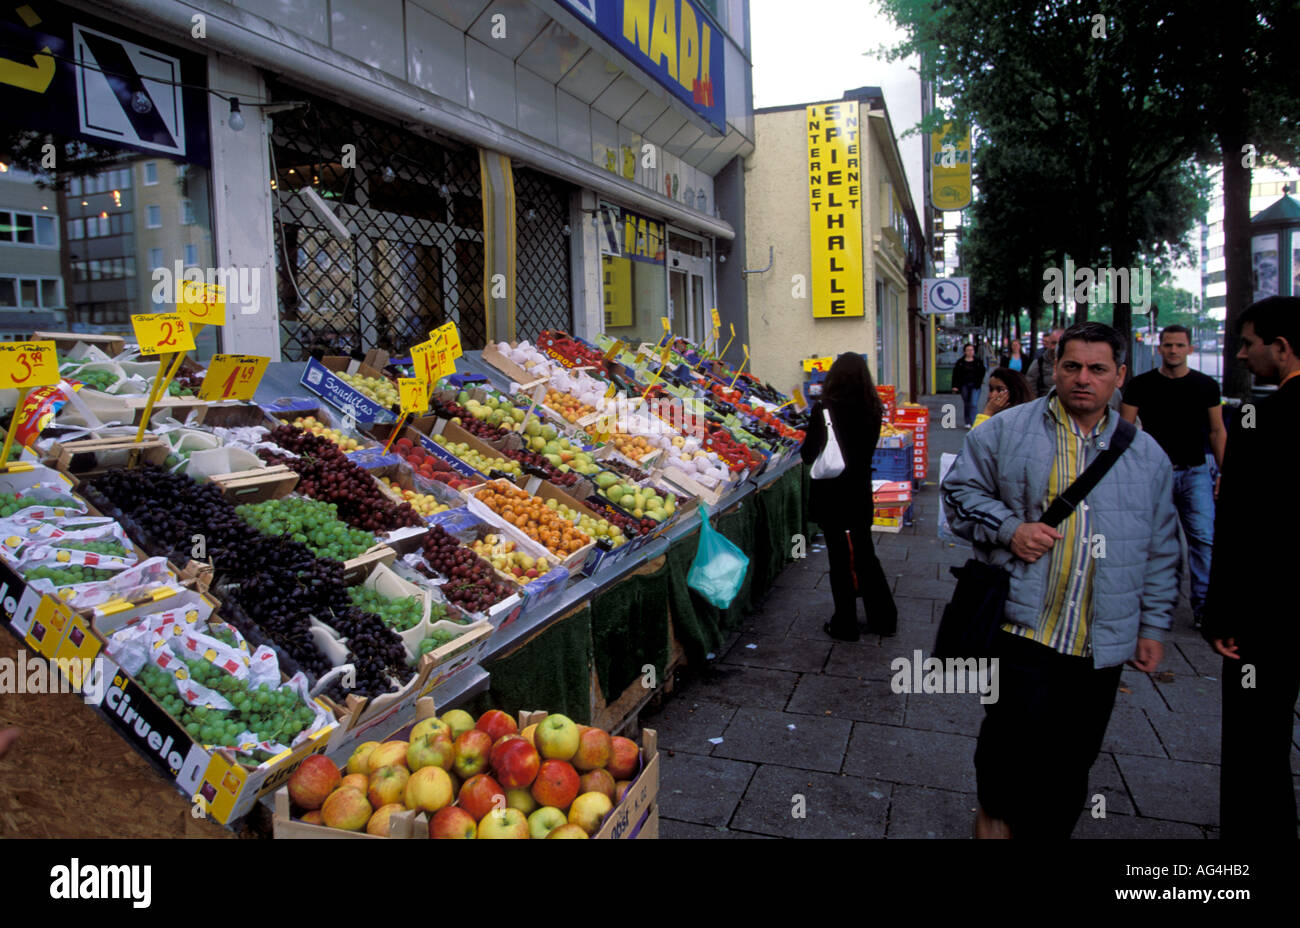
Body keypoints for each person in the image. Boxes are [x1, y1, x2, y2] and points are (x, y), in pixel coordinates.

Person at [941, 322, 1179, 839]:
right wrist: (1010, 529)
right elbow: (957, 493)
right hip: (1023, 630)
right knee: (1006, 753)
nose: (1082, 379)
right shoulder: (1005, 430)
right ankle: (995, 821)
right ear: (1056, 369)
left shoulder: (1146, 456)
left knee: (1070, 765)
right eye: (1071, 366)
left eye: (1097, 369)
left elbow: (1162, 550)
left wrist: (1152, 627)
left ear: (1119, 376)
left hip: (1099, 642)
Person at [1200, 296, 1300, 840]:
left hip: (1268, 614)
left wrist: (1220, 617)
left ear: (1281, 349)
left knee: (1256, 745)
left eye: (1248, 343)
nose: (1240, 354)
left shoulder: (1260, 421)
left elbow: (1236, 528)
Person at [1120, 325, 1226, 629]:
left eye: (1180, 345)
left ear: (1190, 349)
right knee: (1146, 540)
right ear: (1159, 348)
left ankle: (1204, 607)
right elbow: (1125, 433)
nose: (1173, 351)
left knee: (1204, 539)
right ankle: (1141, 603)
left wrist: (1224, 473)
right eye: (1168, 345)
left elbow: (1217, 430)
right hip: (1152, 475)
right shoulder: (1141, 385)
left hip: (1195, 472)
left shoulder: (1206, 385)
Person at [800, 353, 898, 642]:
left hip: (832, 494)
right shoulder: (873, 408)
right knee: (866, 555)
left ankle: (845, 622)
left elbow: (808, 455)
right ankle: (884, 618)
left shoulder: (825, 409)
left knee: (840, 559)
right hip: (859, 492)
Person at [950, 344, 986, 428]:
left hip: (975, 385)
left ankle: (974, 422)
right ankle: (967, 421)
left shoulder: (978, 362)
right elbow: (955, 375)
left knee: (973, 403)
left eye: (972, 350)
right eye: (968, 350)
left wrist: (980, 381)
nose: (970, 352)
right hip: (964, 385)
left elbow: (982, 371)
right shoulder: (960, 362)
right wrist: (954, 386)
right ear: (965, 352)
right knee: (967, 403)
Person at [1026, 327, 1064, 397]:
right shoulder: (1039, 363)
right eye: (1052, 343)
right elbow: (1029, 389)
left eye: (1057, 343)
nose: (1054, 347)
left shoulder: (1076, 364)